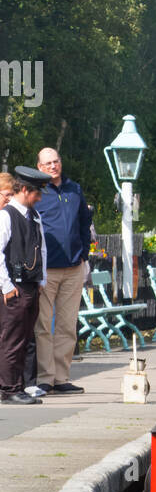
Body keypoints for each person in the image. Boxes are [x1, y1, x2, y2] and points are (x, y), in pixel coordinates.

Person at [33, 147, 91, 394]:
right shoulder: (37, 193)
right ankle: (45, 378)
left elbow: (84, 225)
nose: (53, 166)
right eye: (47, 163)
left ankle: (61, 377)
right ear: (39, 167)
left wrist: (84, 256)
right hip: (47, 269)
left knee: (68, 324)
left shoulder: (74, 189)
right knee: (44, 325)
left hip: (73, 268)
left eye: (56, 161)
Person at [0, 167, 50, 404]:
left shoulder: (34, 216)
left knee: (25, 339)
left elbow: (42, 248)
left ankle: (18, 386)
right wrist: (6, 285)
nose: (39, 198)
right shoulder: (6, 215)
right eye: (36, 193)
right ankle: (9, 389)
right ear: (25, 190)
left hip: (31, 286)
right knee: (12, 340)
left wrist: (41, 280)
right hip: (14, 288)